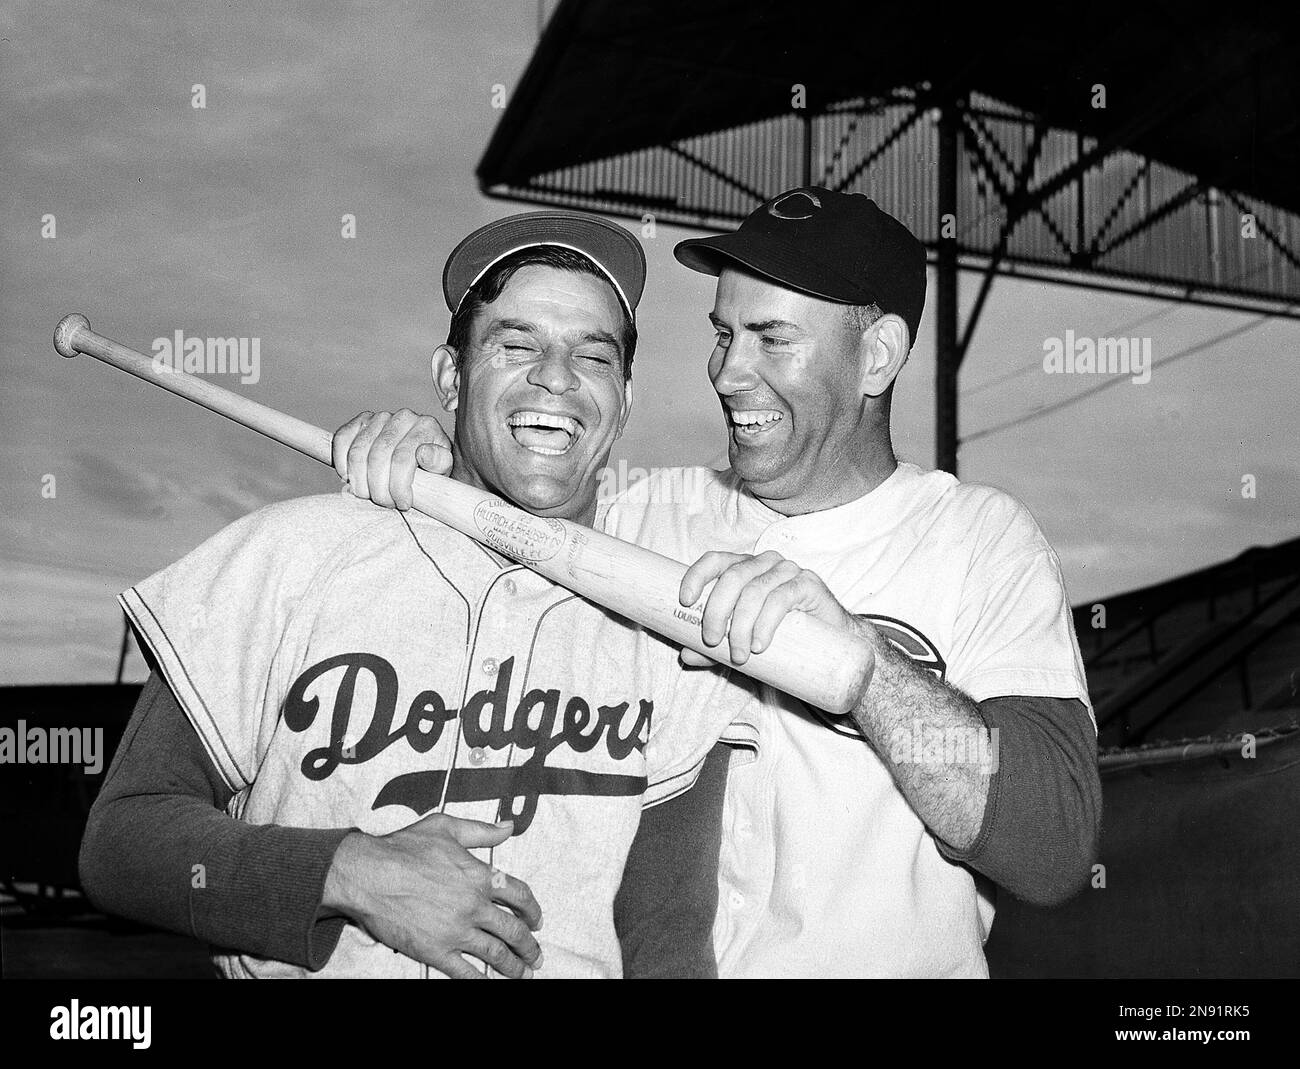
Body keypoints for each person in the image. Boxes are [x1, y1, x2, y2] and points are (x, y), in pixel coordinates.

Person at [336, 187, 1102, 977]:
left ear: (876, 356)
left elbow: (1052, 852)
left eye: (773, 340)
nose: (730, 373)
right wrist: (427, 451)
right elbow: (491, 539)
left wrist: (867, 668)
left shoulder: (982, 540)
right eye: (724, 335)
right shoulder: (637, 516)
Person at [79, 210, 776, 979]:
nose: (556, 376)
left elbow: (668, 939)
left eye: (593, 355)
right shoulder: (294, 553)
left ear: (626, 396)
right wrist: (349, 870)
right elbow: (121, 843)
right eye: (516, 345)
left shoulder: (674, 624)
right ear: (451, 376)